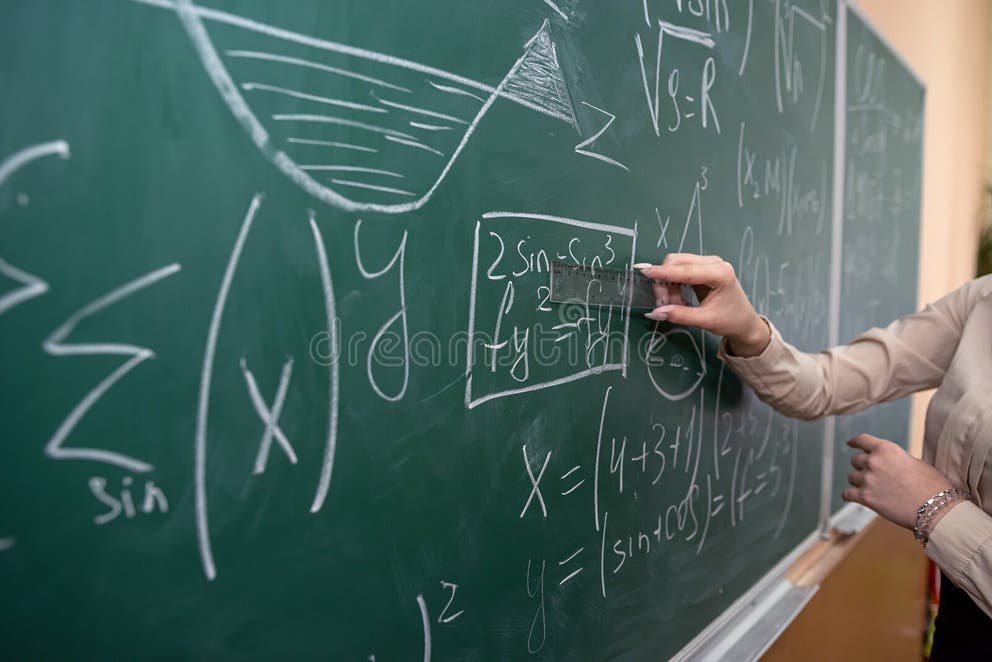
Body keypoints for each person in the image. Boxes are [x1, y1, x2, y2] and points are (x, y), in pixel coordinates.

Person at [636, 253, 992, 660]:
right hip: (960, 621)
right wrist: (748, 329)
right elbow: (824, 384)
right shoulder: (984, 301)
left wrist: (936, 509)